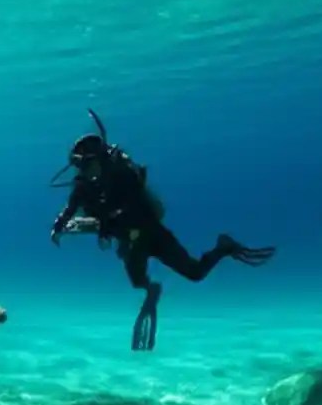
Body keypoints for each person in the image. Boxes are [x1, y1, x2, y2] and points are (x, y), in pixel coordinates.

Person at [48, 110, 276, 351]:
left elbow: (135, 208)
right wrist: (58, 227)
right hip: (127, 238)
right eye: (80, 166)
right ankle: (152, 291)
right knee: (138, 282)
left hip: (152, 234)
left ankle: (223, 247)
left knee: (196, 274)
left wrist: (103, 226)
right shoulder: (83, 186)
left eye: (88, 164)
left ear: (101, 159)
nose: (85, 171)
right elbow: (71, 206)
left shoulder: (124, 176)